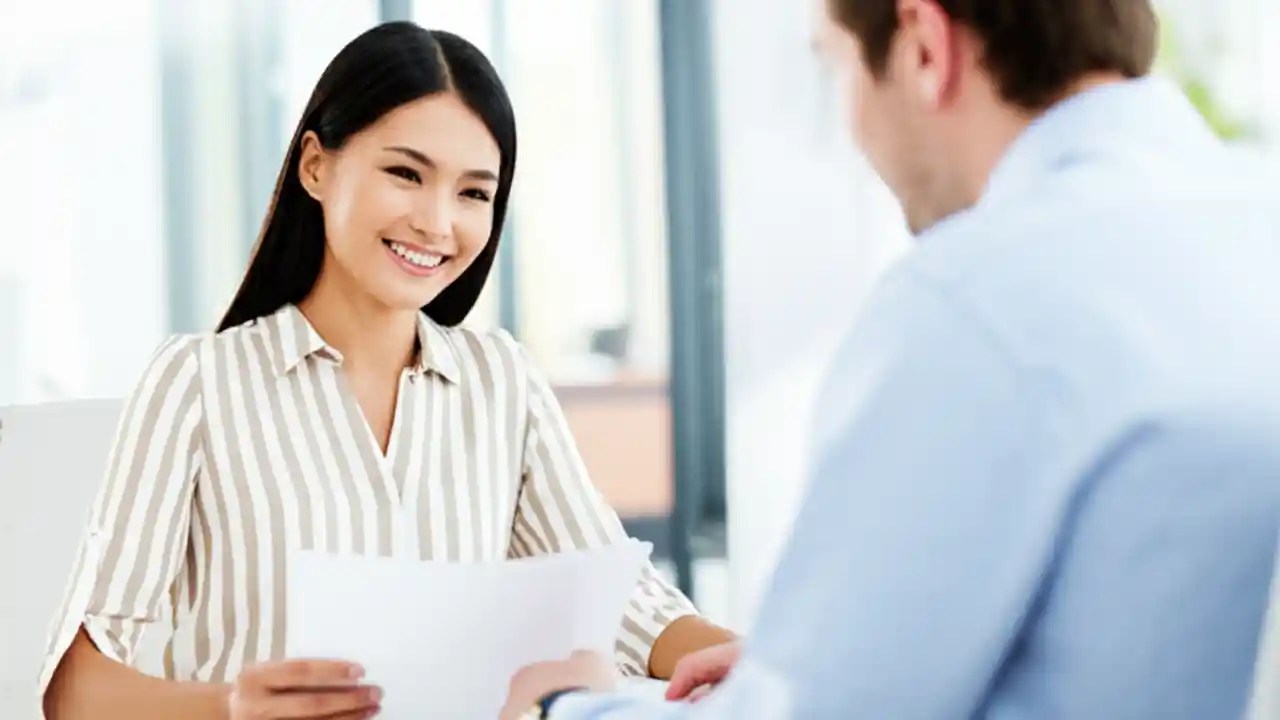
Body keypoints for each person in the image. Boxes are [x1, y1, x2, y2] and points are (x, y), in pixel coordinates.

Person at [501, 0, 1280, 717]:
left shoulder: (975, 295)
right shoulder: (1253, 229)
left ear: (923, 47)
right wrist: (811, 662)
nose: (850, 122)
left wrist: (566, 704)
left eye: (835, 66)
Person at [39, 22, 732, 720]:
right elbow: (74, 690)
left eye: (473, 193)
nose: (437, 222)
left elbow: (620, 605)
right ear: (316, 165)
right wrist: (232, 706)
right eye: (406, 173)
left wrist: (747, 656)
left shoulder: (502, 383)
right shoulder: (198, 382)